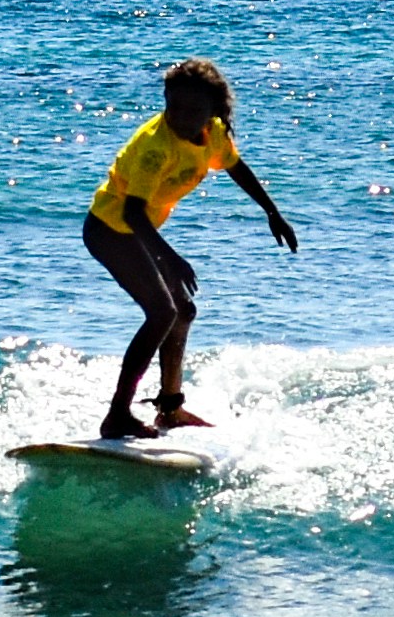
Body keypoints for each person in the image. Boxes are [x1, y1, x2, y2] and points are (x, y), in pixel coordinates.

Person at [82, 55, 294, 442]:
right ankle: (117, 416)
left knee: (183, 311)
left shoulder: (211, 132)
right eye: (173, 106)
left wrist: (271, 211)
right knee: (163, 313)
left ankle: (170, 408)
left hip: (137, 232)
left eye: (193, 109)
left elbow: (234, 166)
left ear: (214, 110)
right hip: (110, 230)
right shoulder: (154, 148)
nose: (180, 116)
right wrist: (172, 258)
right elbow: (132, 214)